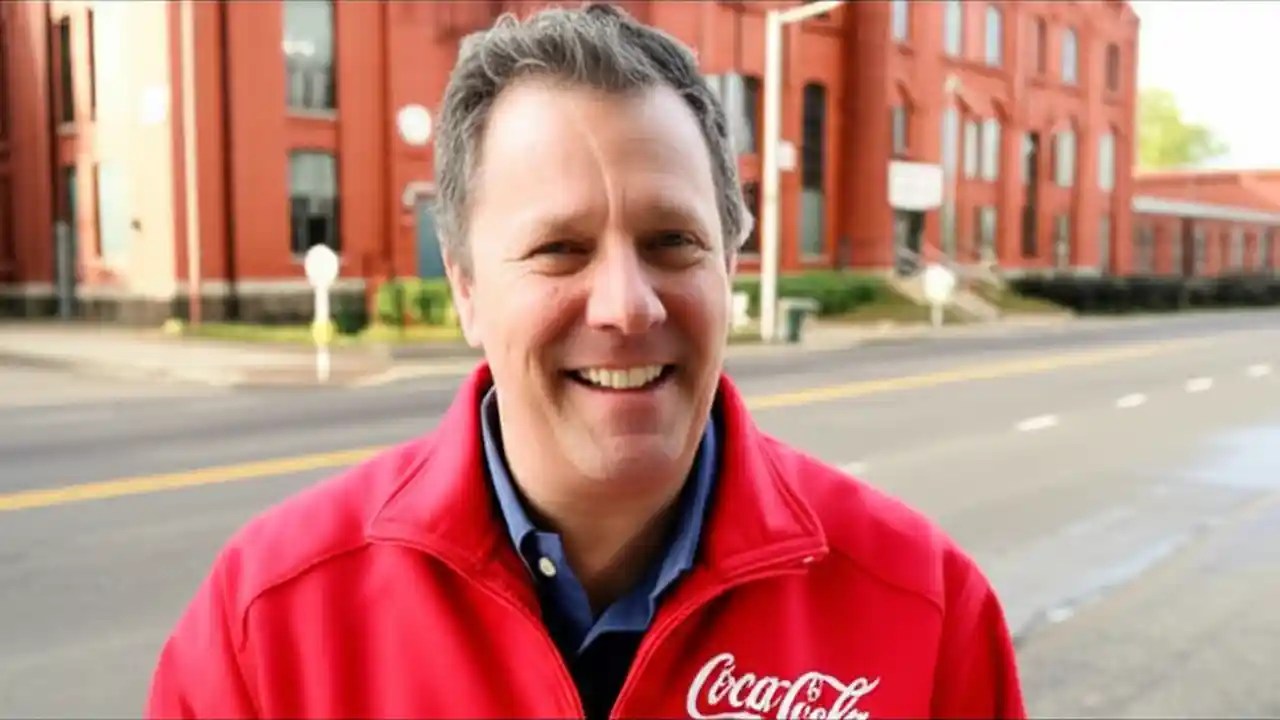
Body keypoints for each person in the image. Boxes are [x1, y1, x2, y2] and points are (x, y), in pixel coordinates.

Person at [146, 4, 1026, 719]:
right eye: (560, 249)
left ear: (729, 267)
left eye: (673, 241)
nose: (627, 306)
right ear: (465, 290)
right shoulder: (270, 621)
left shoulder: (924, 607)